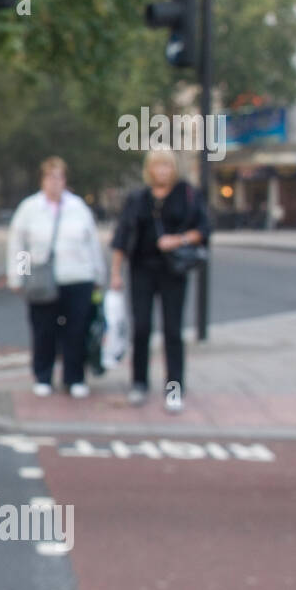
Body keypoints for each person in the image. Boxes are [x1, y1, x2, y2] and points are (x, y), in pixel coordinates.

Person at [109, 148, 212, 414]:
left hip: (173, 270)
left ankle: (174, 389)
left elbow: (204, 230)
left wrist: (178, 240)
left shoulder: (187, 195)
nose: (162, 171)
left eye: (166, 166)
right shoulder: (137, 199)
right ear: (150, 169)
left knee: (172, 330)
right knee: (141, 327)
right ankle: (139, 383)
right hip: (141, 269)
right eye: (157, 166)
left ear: (173, 168)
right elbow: (121, 236)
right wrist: (116, 272)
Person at [7, 156, 107, 398]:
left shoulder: (78, 207)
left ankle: (75, 378)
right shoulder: (29, 209)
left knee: (77, 330)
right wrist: (19, 277)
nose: (55, 182)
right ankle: (43, 376)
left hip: (77, 278)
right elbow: (19, 245)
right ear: (42, 180)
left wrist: (98, 274)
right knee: (44, 330)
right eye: (50, 177)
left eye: (59, 177)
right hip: (43, 280)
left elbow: (91, 242)